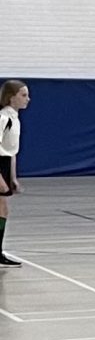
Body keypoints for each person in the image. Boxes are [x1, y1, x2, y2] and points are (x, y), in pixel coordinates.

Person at [0, 80, 20, 267]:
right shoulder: (3, 118)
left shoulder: (15, 118)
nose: (28, 99)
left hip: (5, 164)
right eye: (23, 95)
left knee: (3, 210)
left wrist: (12, 177)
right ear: (11, 98)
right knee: (2, 209)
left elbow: (11, 151)